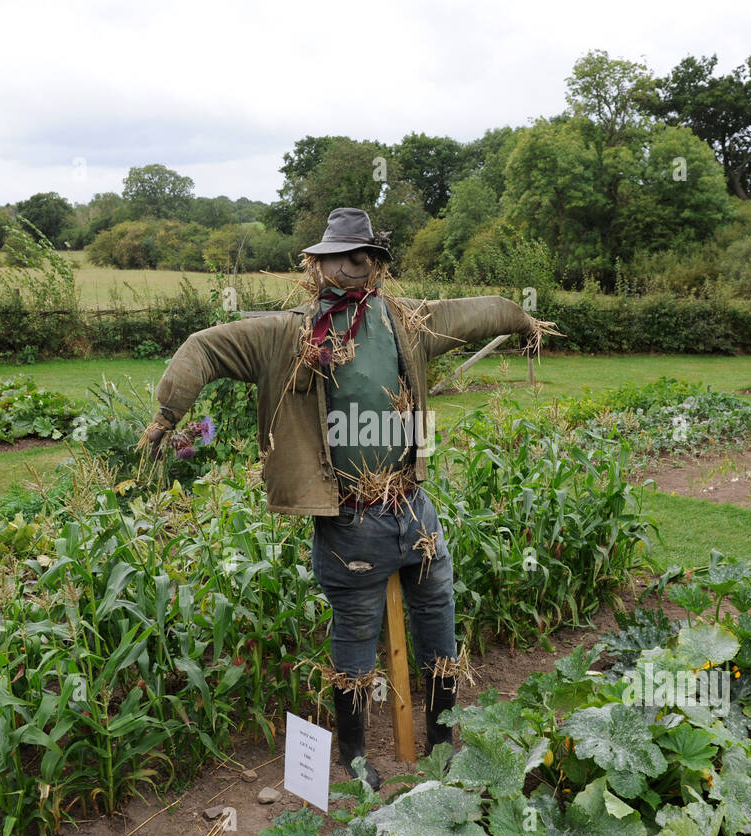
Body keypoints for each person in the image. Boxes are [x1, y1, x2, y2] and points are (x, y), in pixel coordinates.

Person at [140, 207, 553, 789]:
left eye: (363, 257)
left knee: (440, 630)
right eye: (340, 256)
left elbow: (477, 312)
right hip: (351, 520)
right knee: (355, 647)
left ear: (377, 266)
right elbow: (203, 349)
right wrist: (167, 412)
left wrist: (524, 321)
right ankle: (355, 758)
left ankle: (442, 743)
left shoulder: (406, 322)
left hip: (413, 510)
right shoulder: (286, 334)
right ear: (317, 264)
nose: (352, 266)